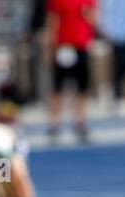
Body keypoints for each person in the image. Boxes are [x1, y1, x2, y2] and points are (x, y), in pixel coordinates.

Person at [46, 0, 98, 142]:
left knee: (82, 87)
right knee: (58, 87)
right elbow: (52, 21)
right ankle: (55, 122)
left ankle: (80, 120)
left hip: (81, 46)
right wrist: (51, 46)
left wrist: (88, 15)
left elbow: (94, 20)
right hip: (63, 46)